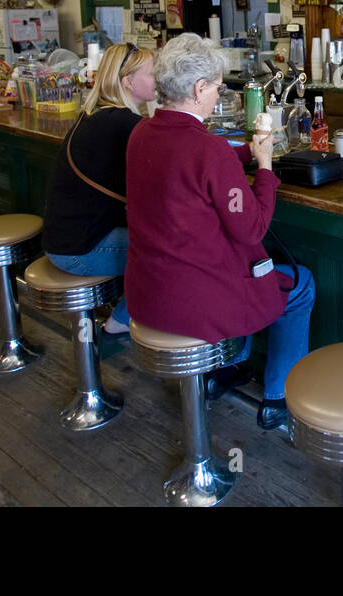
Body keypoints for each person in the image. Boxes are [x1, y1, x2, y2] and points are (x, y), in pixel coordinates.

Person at [124, 33, 314, 431]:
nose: (218, 93)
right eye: (215, 86)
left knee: (238, 268)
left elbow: (189, 157)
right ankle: (278, 398)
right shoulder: (207, 151)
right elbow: (253, 229)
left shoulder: (141, 133)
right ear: (198, 89)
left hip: (148, 294)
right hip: (198, 303)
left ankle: (226, 369)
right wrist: (264, 168)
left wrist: (246, 151)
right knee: (300, 285)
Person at [42, 42, 156, 333]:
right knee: (172, 251)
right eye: (153, 73)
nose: (160, 78)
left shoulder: (95, 113)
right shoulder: (125, 124)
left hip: (63, 240)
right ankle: (120, 322)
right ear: (129, 81)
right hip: (81, 250)